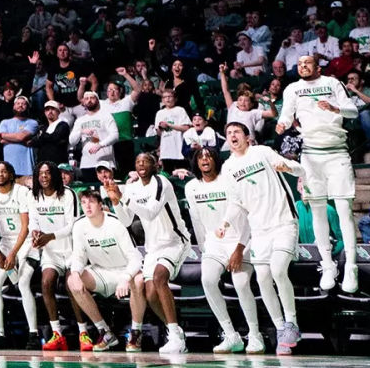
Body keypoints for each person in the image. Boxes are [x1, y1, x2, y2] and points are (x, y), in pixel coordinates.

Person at [219, 119, 303, 354]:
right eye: (229, 133)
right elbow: (235, 202)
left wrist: (289, 168)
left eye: (237, 131)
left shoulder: (262, 152)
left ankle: (291, 323)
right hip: (259, 230)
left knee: (277, 270)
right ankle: (280, 329)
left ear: (247, 136)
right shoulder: (227, 167)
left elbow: (297, 169)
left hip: (284, 221)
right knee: (263, 278)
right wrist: (225, 222)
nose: (233, 135)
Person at [277, 54, 360, 293]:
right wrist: (282, 124)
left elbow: (352, 111)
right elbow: (286, 114)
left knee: (344, 211)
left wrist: (335, 107)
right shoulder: (292, 89)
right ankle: (327, 265)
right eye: (300, 63)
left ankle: (351, 267)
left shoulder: (332, 83)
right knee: (318, 210)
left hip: (337, 152)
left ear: (317, 66)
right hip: (311, 154)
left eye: (307, 63)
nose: (302, 65)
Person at [179, 146, 265, 354]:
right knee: (207, 280)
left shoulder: (228, 180)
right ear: (196, 163)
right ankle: (231, 335)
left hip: (240, 240)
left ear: (216, 159)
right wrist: (204, 249)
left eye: (209, 155)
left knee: (241, 283)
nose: (205, 159)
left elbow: (245, 216)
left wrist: (239, 249)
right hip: (214, 244)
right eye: (201, 157)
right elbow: (197, 222)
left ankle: (255, 335)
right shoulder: (191, 187)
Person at [105, 152, 192, 353]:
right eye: (138, 161)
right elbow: (127, 221)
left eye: (146, 161)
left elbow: (151, 212)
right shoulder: (134, 188)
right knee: (151, 294)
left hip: (175, 242)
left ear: (155, 165)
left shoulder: (162, 182)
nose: (141, 163)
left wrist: (123, 196)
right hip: (153, 247)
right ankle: (176, 333)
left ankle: (175, 336)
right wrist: (115, 201)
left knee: (160, 278)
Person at [64, 190, 139, 352]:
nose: (87, 206)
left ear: (100, 205)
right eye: (84, 202)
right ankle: (104, 332)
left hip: (124, 271)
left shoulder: (116, 223)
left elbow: (135, 258)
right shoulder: (79, 226)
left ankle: (135, 333)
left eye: (91, 202)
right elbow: (78, 256)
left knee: (138, 280)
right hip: (101, 272)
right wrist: (75, 273)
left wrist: (126, 277)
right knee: (72, 280)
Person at [0, 160, 37, 348]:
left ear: (11, 175)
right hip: (5, 244)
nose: (0, 174)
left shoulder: (22, 192)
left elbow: (25, 227)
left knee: (23, 282)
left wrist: (13, 254)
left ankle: (33, 334)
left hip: (26, 242)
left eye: (4, 171)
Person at [28, 161, 80, 350]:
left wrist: (50, 236)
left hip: (71, 250)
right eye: (40, 173)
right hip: (50, 252)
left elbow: (73, 224)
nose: (44, 176)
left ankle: (83, 332)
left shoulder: (68, 194)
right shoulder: (34, 196)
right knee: (46, 283)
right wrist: (34, 232)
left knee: (72, 286)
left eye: (48, 173)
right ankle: (56, 333)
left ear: (54, 175)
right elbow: (32, 221)